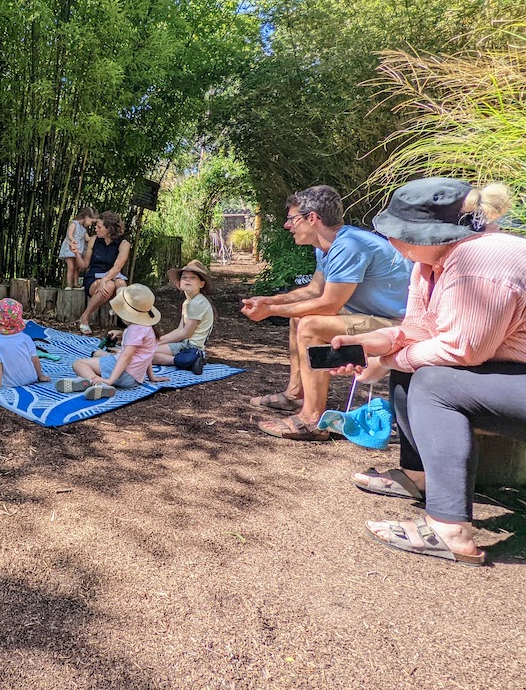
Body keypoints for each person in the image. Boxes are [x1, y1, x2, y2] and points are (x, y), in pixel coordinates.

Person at [331, 178, 525, 566]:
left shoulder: (478, 261)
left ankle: (450, 528)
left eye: (397, 233)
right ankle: (417, 475)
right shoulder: (431, 262)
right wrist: (379, 342)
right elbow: (420, 329)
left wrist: (384, 363)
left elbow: (460, 349)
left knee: (434, 383)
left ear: (430, 234)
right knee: (413, 361)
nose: (390, 241)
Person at [240, 185, 412, 440]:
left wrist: (273, 311)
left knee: (311, 325)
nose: (288, 226)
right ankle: (295, 395)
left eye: (292, 219)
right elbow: (314, 290)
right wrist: (269, 301)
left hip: (398, 324)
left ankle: (311, 421)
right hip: (371, 314)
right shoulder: (325, 246)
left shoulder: (349, 245)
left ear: (313, 218)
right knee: (300, 318)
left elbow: (329, 304)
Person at [57, 284, 168, 400]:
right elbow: (147, 355)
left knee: (79, 364)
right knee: (101, 356)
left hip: (123, 374)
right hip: (135, 379)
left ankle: (96, 382)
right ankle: (88, 380)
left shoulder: (134, 330)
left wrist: (110, 380)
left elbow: (126, 356)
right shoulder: (150, 329)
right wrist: (152, 377)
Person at [153, 260, 215, 375]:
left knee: (146, 354)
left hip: (191, 346)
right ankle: (188, 360)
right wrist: (157, 341)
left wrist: (155, 343)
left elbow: (185, 333)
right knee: (148, 350)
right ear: (179, 284)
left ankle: (188, 360)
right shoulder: (188, 302)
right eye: (184, 277)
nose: (187, 280)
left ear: (201, 284)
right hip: (186, 344)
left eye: (193, 278)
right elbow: (179, 329)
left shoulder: (198, 302)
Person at [73, 211, 130, 335]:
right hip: (93, 279)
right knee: (110, 285)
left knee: (120, 283)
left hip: (112, 276)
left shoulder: (124, 244)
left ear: (109, 229)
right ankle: (85, 317)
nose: (96, 229)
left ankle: (123, 315)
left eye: (99, 227)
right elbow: (84, 266)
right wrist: (76, 252)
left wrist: (105, 279)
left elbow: (117, 267)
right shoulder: (94, 240)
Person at [0, 299, 50, 391]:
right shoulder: (26, 338)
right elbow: (35, 360)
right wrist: (40, 376)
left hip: (10, 382)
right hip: (31, 378)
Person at [58, 207, 98, 289]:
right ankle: (69, 284)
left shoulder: (84, 229)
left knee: (77, 268)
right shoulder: (74, 223)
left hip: (78, 251)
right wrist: (73, 240)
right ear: (86, 217)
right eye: (91, 222)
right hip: (70, 248)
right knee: (71, 267)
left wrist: (95, 237)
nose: (91, 224)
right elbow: (69, 234)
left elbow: (87, 239)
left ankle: (76, 284)